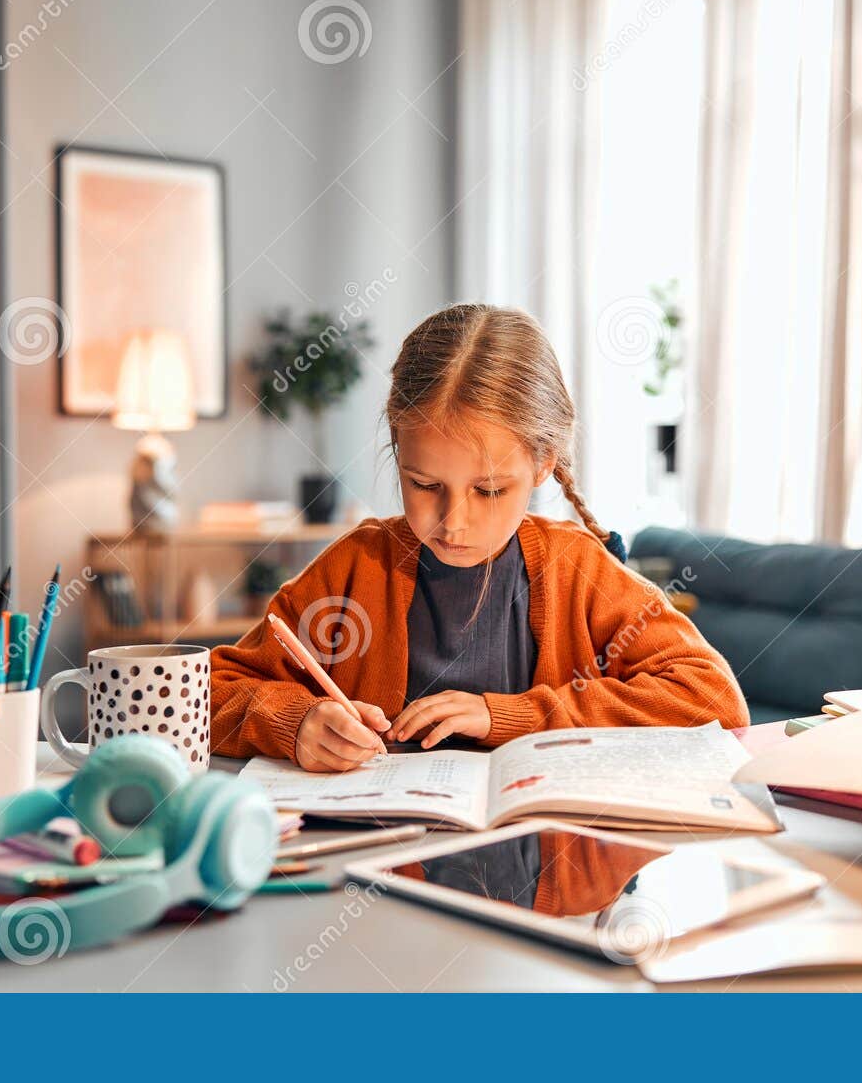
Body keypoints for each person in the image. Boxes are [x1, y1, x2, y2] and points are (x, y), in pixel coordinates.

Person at [211, 302, 748, 772]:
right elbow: (207, 694)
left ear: (542, 464)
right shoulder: (355, 570)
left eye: (489, 490)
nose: (454, 521)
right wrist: (295, 721)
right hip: (381, 864)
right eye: (424, 485)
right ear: (398, 451)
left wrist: (507, 716)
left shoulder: (576, 570)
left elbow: (711, 697)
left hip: (548, 863)